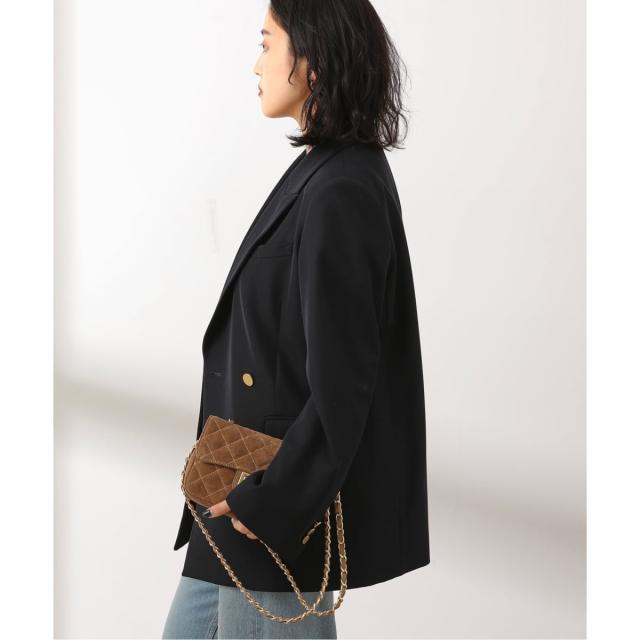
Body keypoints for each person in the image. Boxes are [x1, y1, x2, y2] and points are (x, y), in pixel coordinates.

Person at [162, 1, 430, 638]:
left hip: (271, 511)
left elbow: (345, 388)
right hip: (235, 498)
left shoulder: (342, 188)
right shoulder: (321, 172)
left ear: (312, 59)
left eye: (266, 43)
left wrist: (275, 501)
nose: (256, 64)